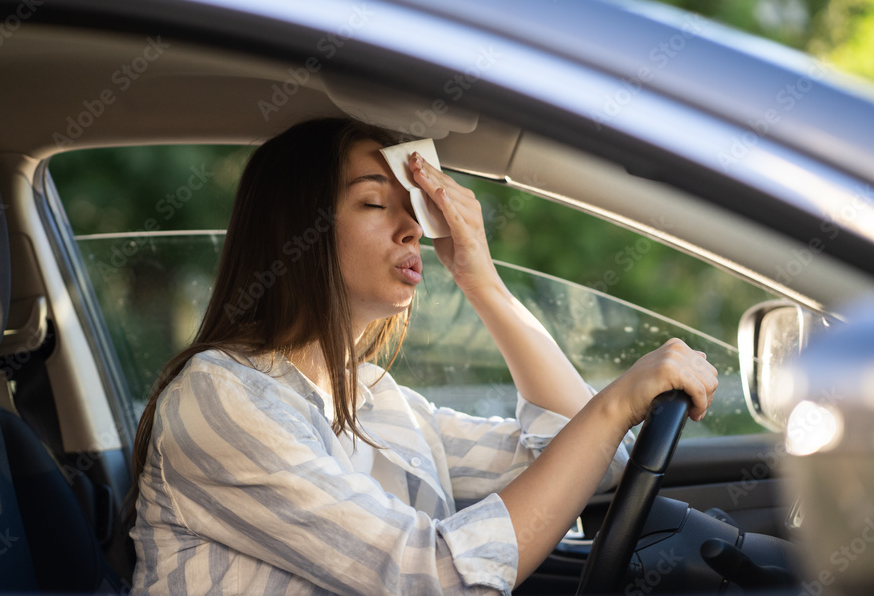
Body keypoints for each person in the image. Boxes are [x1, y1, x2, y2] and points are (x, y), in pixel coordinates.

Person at [126, 117, 719, 595]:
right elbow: (432, 577)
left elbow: (589, 455)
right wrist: (616, 402)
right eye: (375, 203)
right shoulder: (218, 398)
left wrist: (481, 279)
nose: (413, 227)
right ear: (295, 233)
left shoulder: (378, 399)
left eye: (413, 205)